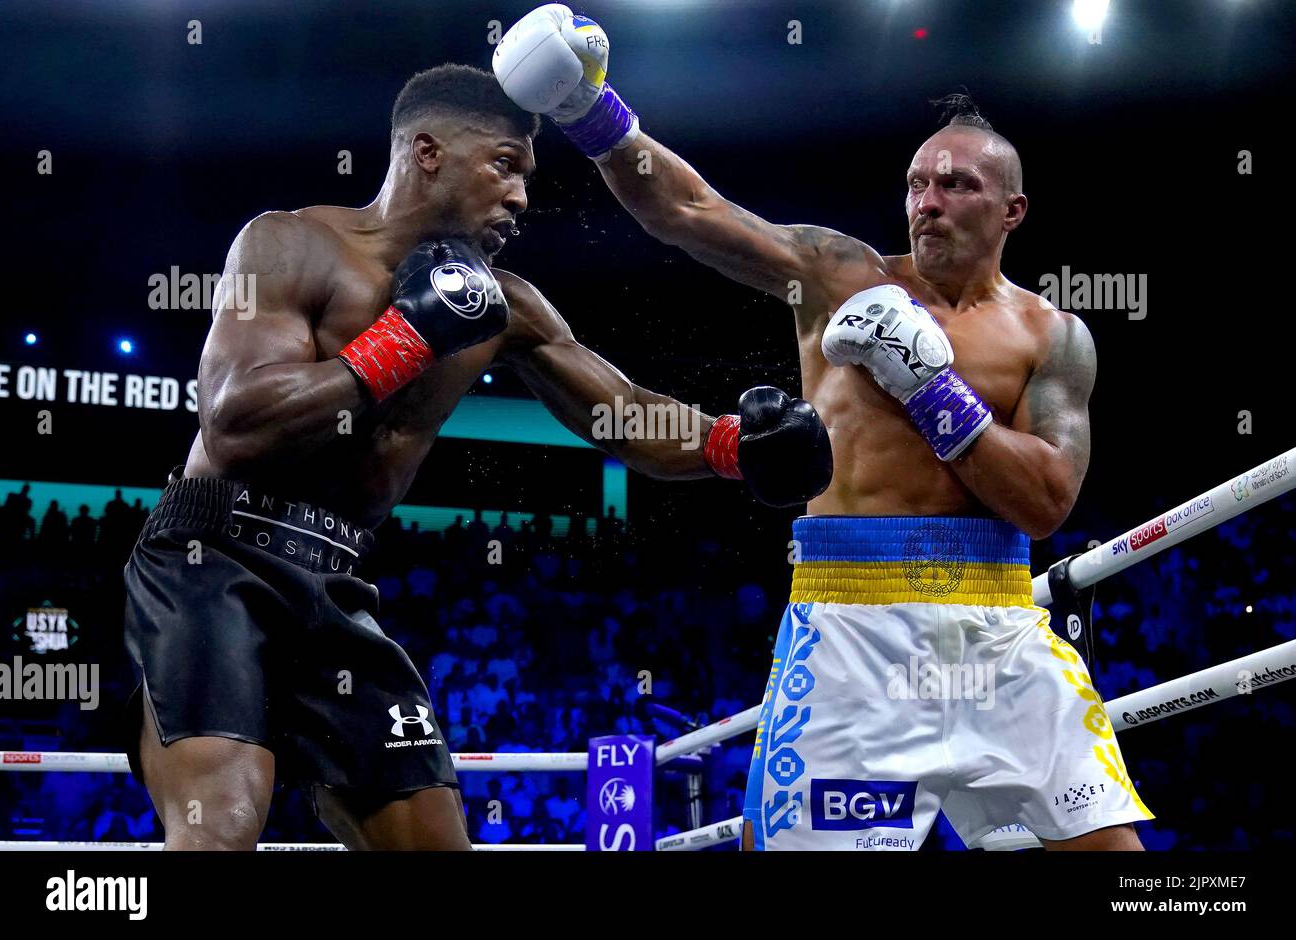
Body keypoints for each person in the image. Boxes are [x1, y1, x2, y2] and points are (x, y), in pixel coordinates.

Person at [123, 63, 832, 851]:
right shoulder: (290, 243)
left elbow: (624, 413)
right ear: (427, 152)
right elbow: (235, 423)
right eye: (505, 165)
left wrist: (735, 445)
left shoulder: (506, 303)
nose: (522, 198)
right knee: (217, 830)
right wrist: (408, 339)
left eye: (527, 176)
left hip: (335, 580)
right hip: (215, 558)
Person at [494, 5, 1150, 850]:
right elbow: (689, 212)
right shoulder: (842, 276)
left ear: (1013, 211)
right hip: (852, 631)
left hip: (1000, 631)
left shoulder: (1053, 335)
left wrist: (929, 390)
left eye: (958, 185)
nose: (929, 201)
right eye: (918, 183)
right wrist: (590, 110)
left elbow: (1047, 502)